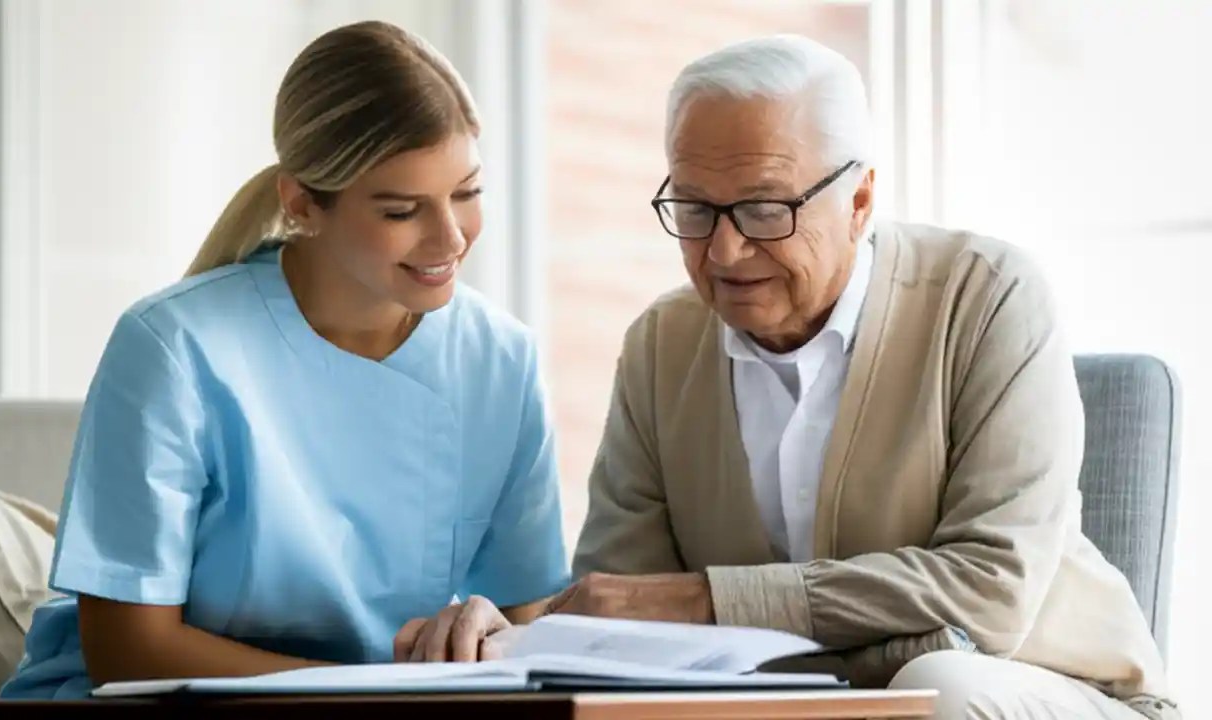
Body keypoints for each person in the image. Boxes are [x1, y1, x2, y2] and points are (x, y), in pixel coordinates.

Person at [485, 35, 1174, 720]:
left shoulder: (990, 298)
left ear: (861, 201)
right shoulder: (660, 346)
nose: (724, 250)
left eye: (764, 209)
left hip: (1049, 688)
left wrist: (709, 603)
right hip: (789, 709)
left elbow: (988, 596)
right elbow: (625, 621)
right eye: (695, 210)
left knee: (937, 684)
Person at [0, 20, 568, 699]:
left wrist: (493, 627)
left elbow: (529, 622)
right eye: (400, 210)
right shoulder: (173, 346)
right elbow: (128, 651)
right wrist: (369, 693)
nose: (450, 236)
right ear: (303, 203)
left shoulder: (503, 361)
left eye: (467, 194)